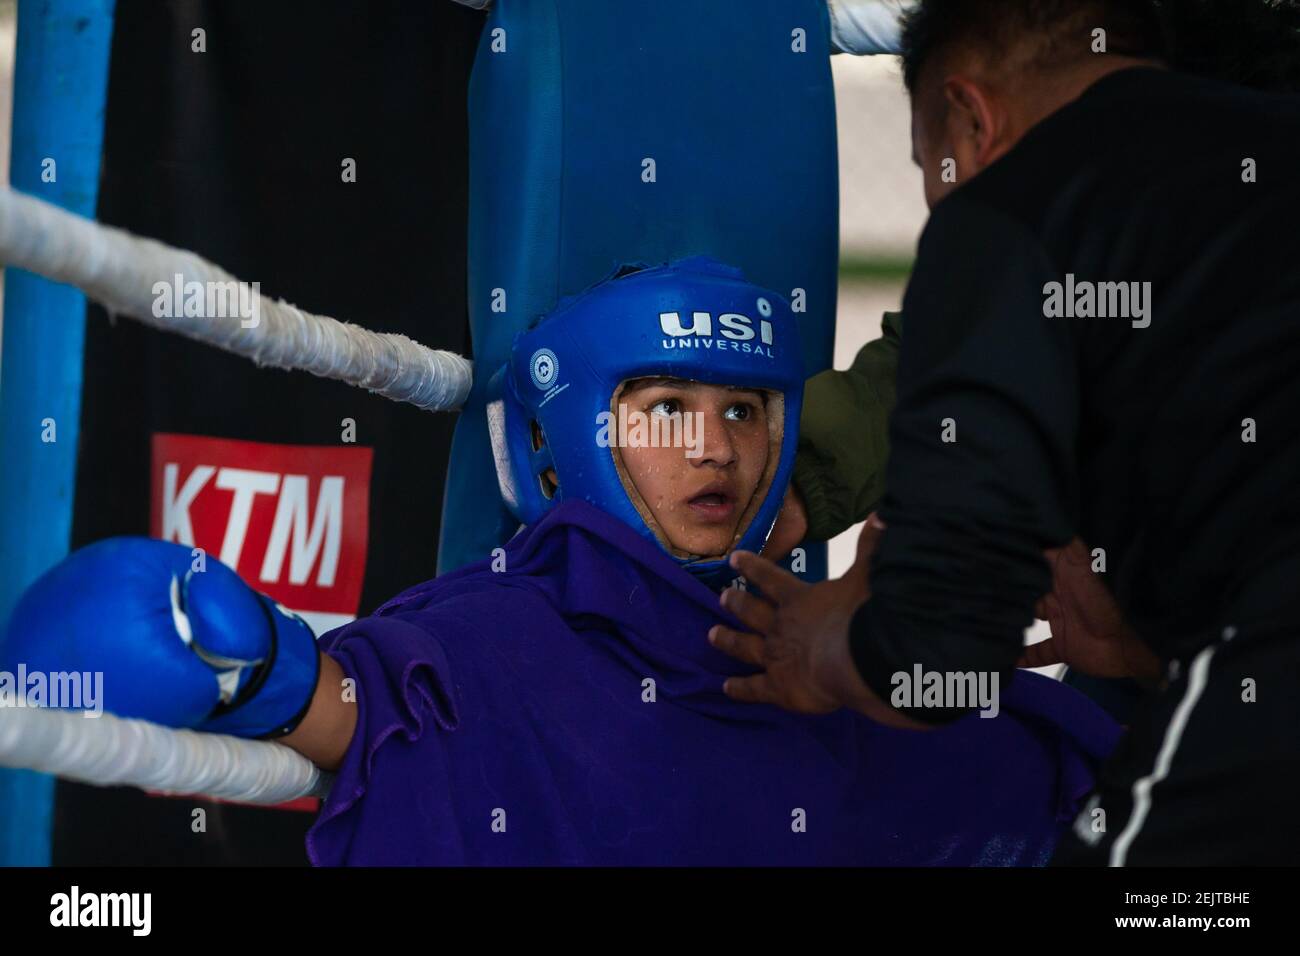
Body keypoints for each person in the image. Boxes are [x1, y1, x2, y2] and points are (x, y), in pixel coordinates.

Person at [2, 257, 1119, 865]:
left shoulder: (834, 622)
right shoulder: (505, 634)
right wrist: (258, 673)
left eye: (744, 407)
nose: (714, 443)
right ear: (558, 434)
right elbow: (375, 704)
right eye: (665, 405)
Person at [714, 0, 1300, 864]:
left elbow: (939, 650)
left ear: (973, 120)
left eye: (930, 167)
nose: (936, 203)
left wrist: (832, 644)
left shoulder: (1013, 212)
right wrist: (1146, 640)